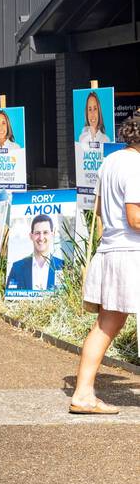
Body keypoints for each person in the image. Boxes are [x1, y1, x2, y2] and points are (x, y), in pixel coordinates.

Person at [72, 111, 140, 414]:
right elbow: (135, 217)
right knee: (108, 325)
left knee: (105, 326)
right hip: (132, 255)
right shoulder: (137, 167)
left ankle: (83, 394)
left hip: (111, 251)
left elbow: (99, 213)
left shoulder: (110, 161)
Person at [6, 214, 65, 293]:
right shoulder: (17, 268)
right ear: (31, 236)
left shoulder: (63, 266)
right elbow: (10, 299)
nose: (41, 238)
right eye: (37, 233)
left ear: (52, 235)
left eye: (45, 232)